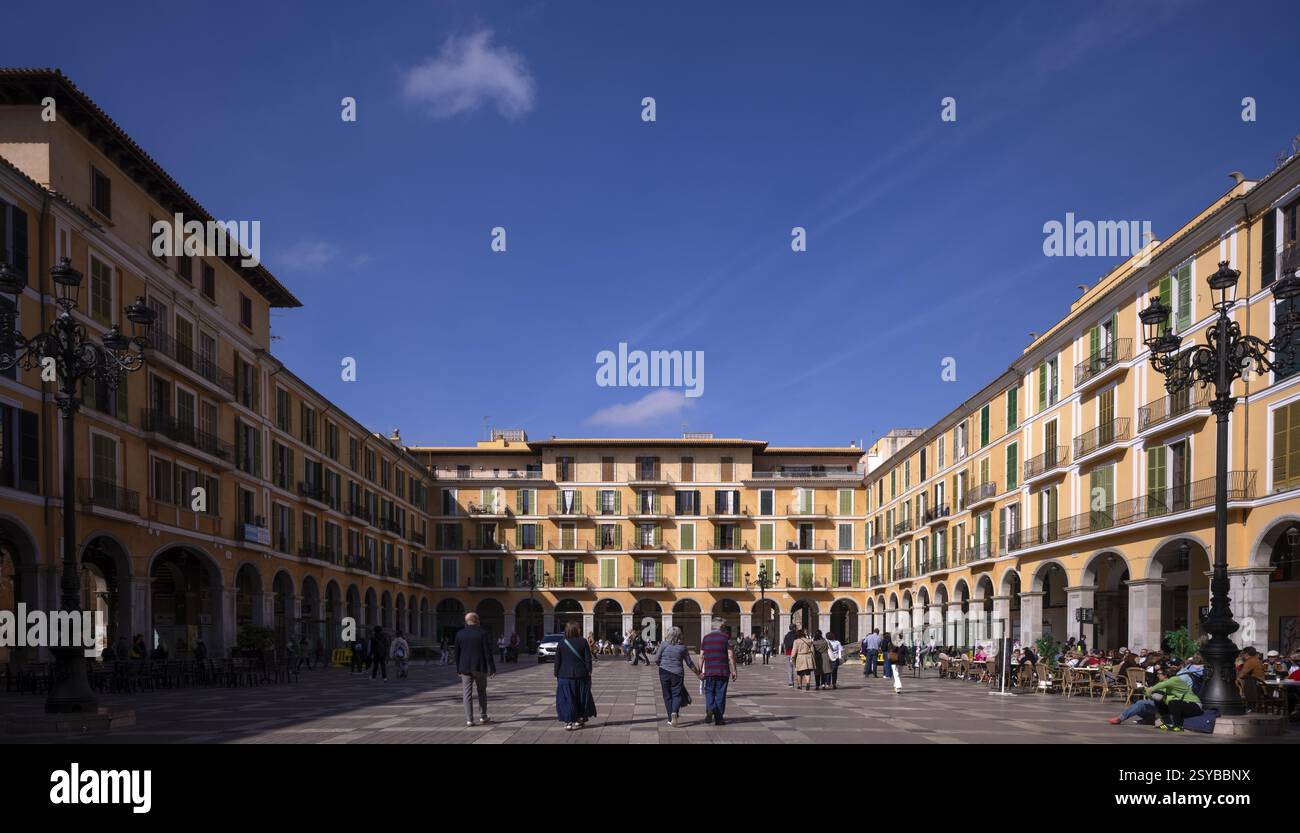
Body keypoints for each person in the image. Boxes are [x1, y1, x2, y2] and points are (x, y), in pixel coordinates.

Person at [455, 612, 497, 727]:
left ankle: (469, 719)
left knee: (467, 694)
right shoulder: (483, 633)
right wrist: (492, 668)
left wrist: (458, 668)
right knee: (481, 692)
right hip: (479, 667)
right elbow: (487, 652)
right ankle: (483, 716)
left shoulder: (460, 634)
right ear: (477, 620)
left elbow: (457, 653)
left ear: (467, 621)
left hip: (464, 668)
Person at [653, 626, 700, 727]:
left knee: (667, 695)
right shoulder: (683, 647)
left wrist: (662, 665)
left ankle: (670, 718)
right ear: (680, 635)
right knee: (676, 694)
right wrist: (698, 673)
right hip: (677, 674)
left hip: (664, 672)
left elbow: (656, 659)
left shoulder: (663, 644)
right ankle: (674, 712)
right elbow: (689, 663)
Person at [554, 622, 597, 730]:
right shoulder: (582, 642)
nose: (580, 630)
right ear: (575, 630)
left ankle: (568, 722)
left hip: (564, 675)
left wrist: (556, 673)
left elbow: (557, 660)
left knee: (567, 698)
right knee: (580, 697)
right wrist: (589, 671)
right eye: (579, 628)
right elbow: (588, 659)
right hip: (581, 675)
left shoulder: (562, 643)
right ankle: (579, 719)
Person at [700, 620, 738, 724]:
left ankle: (710, 709)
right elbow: (730, 655)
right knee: (721, 693)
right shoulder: (726, 638)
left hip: (709, 671)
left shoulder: (706, 638)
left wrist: (700, 671)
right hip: (722, 671)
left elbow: (701, 656)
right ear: (721, 627)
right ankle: (719, 718)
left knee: (709, 692)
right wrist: (734, 670)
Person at [1148, 665, 1202, 731]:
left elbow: (1160, 687)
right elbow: (1158, 697)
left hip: (1195, 705)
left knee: (1173, 703)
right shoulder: (1166, 684)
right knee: (1161, 703)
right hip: (1183, 705)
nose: (1157, 675)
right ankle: (1167, 724)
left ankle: (1178, 726)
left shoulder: (1174, 680)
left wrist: (1150, 689)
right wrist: (1145, 691)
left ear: (1165, 675)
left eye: (1159, 674)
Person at [783, 622, 799, 687]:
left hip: (788, 653)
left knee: (790, 668)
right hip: (796, 653)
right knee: (798, 668)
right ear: (794, 628)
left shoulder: (786, 636)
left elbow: (784, 645)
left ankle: (790, 682)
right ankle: (798, 681)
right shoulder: (797, 635)